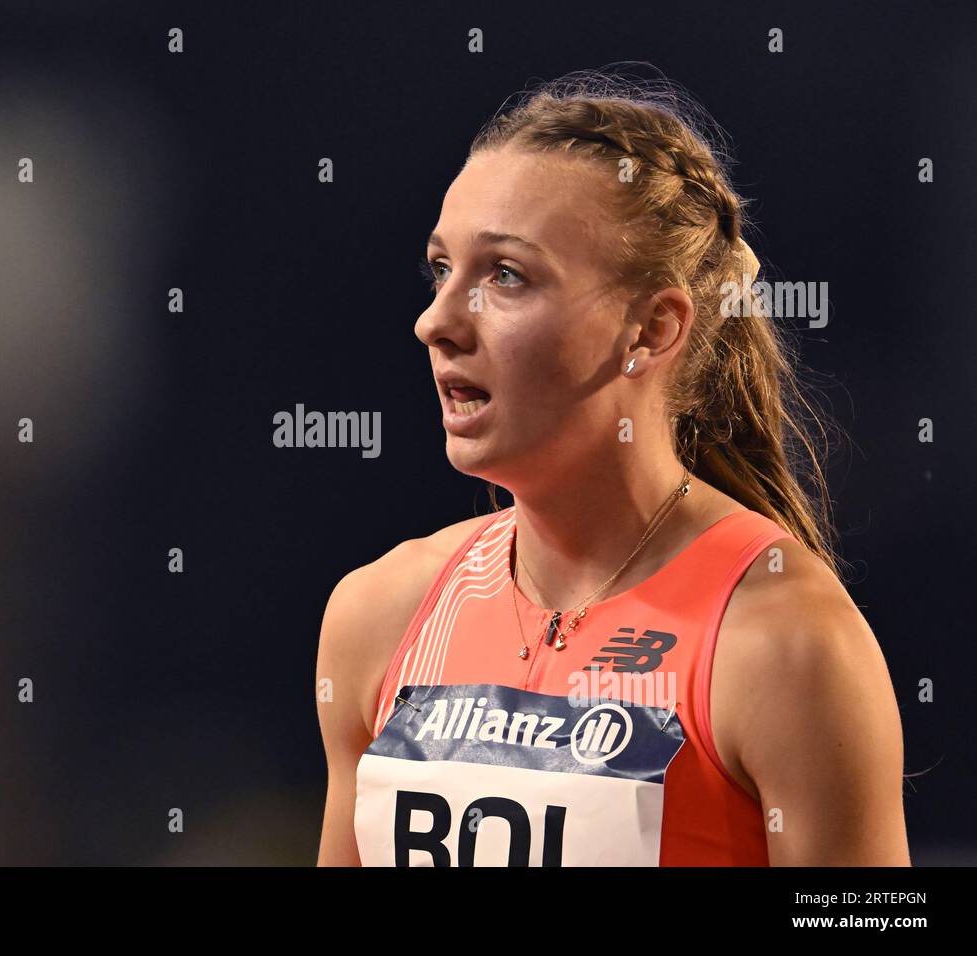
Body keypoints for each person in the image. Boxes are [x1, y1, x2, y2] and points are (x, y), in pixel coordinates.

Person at [315, 72, 910, 866]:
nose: (437, 321)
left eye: (506, 276)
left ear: (653, 329)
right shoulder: (378, 615)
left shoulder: (783, 643)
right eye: (441, 269)